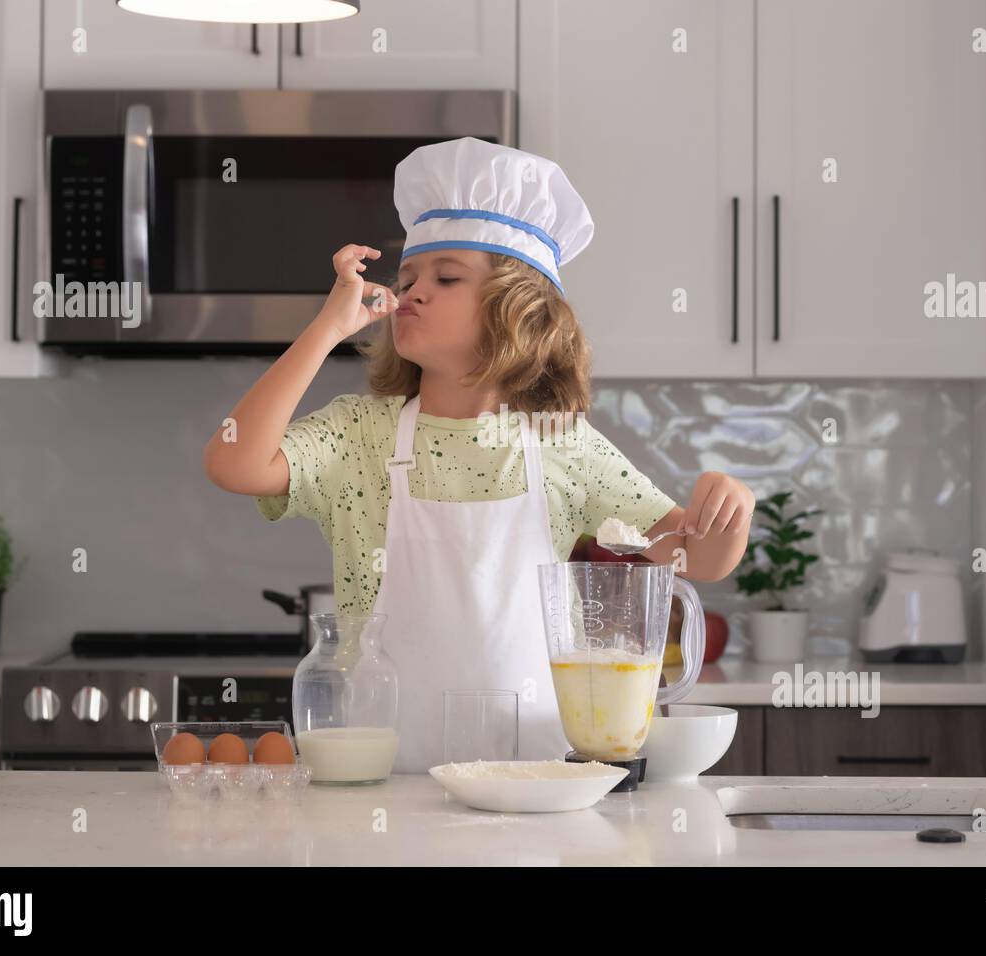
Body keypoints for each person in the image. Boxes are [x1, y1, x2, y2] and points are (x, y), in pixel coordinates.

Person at [203, 137, 754, 771]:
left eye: (446, 277)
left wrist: (730, 505)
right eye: (406, 277)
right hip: (379, 786)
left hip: (538, 785)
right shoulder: (358, 435)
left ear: (517, 311)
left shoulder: (560, 442)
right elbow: (233, 462)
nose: (412, 291)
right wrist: (324, 328)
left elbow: (694, 557)